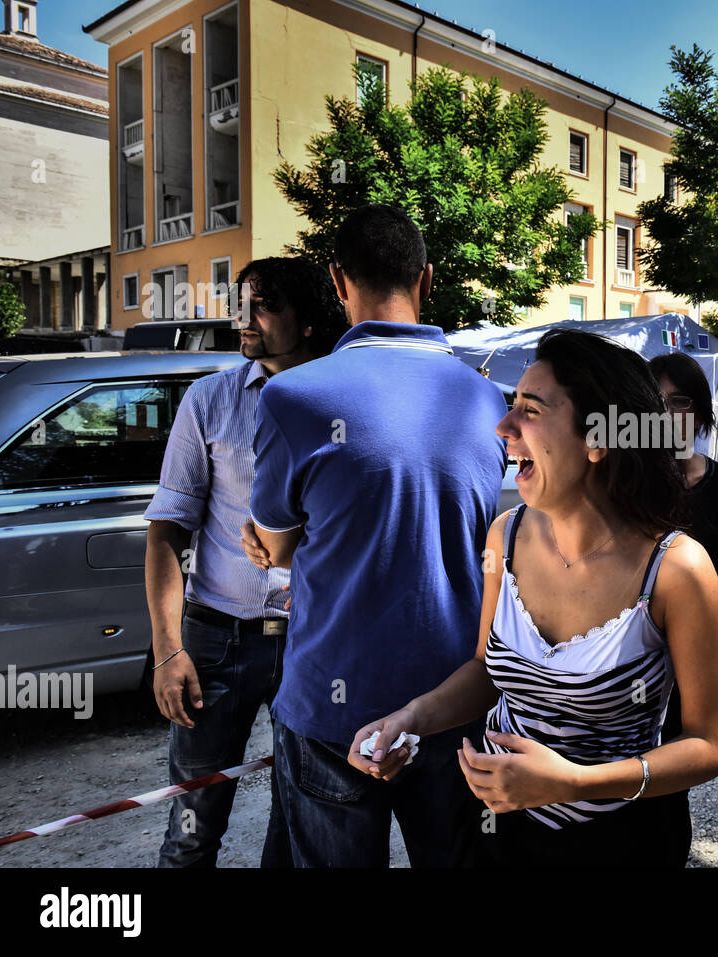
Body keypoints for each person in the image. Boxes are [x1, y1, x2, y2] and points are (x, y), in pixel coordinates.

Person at [348, 330, 718, 868]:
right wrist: (410, 718)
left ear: (598, 438)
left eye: (529, 410)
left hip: (623, 841)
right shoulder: (503, 538)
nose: (503, 428)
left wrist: (574, 783)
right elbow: (488, 671)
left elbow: (711, 745)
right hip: (497, 829)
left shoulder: (676, 569)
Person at [245, 205, 507, 867]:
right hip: (455, 695)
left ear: (338, 281)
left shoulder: (292, 396)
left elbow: (275, 548)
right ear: (426, 279)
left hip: (333, 697)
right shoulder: (487, 398)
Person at [144, 257, 346, 867]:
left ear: (308, 322)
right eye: (242, 304)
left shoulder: (343, 404)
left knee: (300, 820)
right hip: (217, 641)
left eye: (264, 307)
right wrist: (168, 650)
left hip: (313, 643)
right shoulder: (211, 401)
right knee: (191, 826)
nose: (245, 320)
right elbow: (164, 536)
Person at [648, 350, 718, 856]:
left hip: (691, 660)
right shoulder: (624, 485)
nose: (666, 412)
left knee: (671, 776)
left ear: (701, 411)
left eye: (679, 401)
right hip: (631, 658)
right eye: (655, 400)